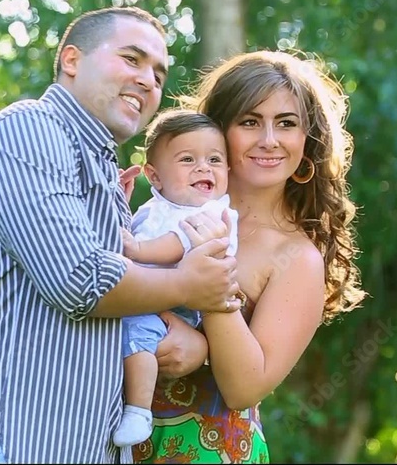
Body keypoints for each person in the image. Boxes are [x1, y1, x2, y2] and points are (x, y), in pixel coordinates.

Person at [0, 6, 244, 464]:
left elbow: (128, 307)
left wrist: (193, 341)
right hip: (16, 444)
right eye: (132, 59)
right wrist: (187, 285)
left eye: (158, 74)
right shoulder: (29, 130)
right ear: (73, 61)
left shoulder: (106, 174)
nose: (148, 81)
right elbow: (79, 279)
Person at [127, 50, 367, 463]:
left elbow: (245, 387)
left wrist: (211, 303)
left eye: (286, 124)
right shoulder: (164, 204)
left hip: (207, 451)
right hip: (103, 439)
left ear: (306, 142)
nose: (269, 139)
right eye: (250, 121)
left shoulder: (296, 257)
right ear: (218, 130)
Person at [112, 109, 240, 448]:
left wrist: (137, 249)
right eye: (188, 159)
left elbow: (176, 245)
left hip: (174, 311)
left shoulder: (213, 212)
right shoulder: (153, 210)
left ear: (227, 170)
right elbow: (129, 240)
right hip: (142, 296)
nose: (203, 167)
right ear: (154, 177)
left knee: (137, 332)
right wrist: (119, 211)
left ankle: (138, 410)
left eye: (215, 159)